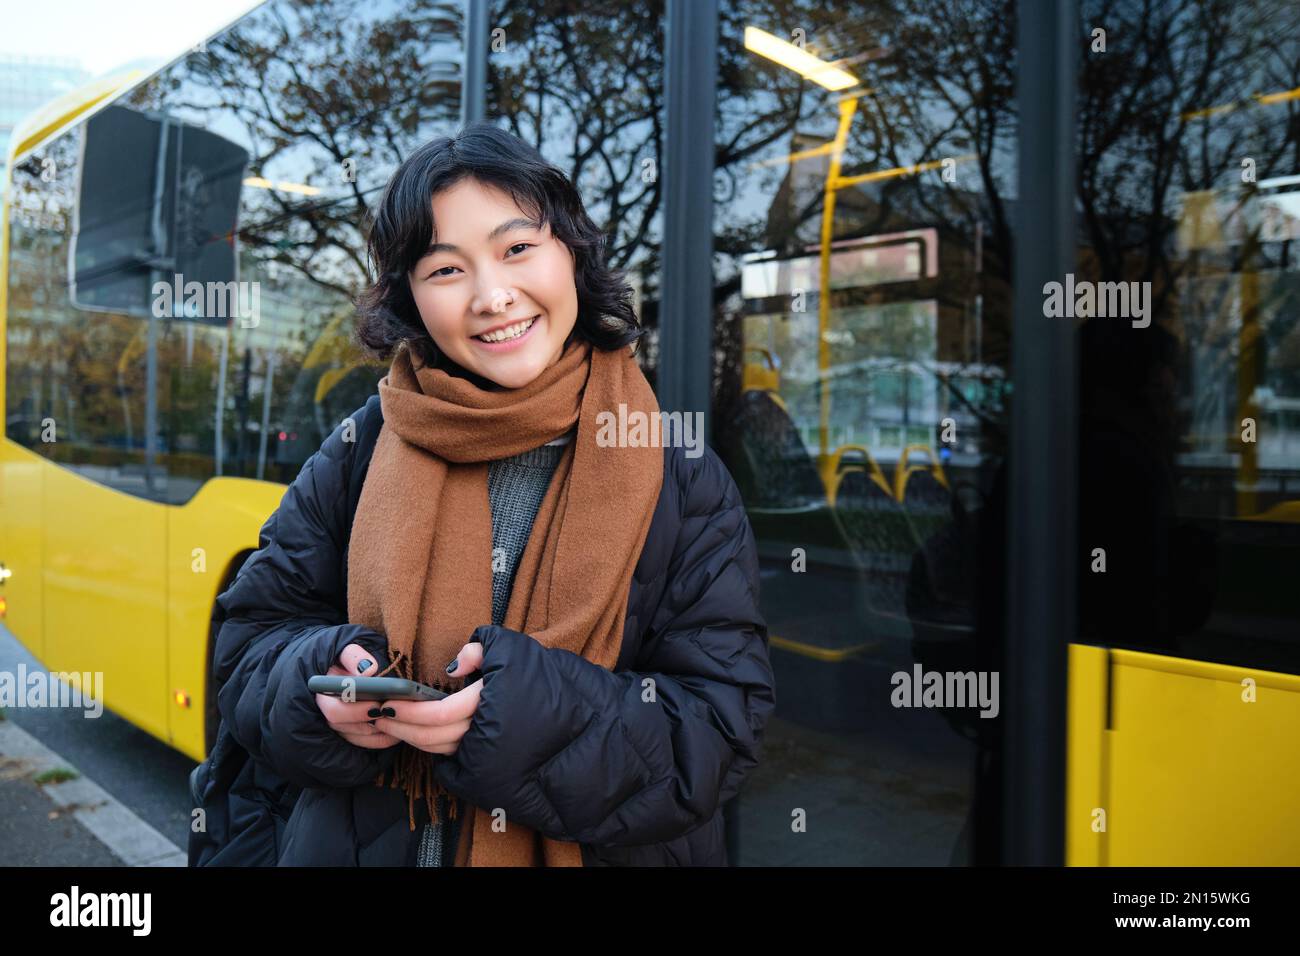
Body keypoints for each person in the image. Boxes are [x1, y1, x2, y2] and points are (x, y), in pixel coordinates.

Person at [188, 122, 775, 866]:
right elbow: (247, 647)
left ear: (571, 252)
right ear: (411, 296)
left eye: (517, 248)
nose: (493, 296)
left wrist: (513, 719)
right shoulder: (361, 448)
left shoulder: (679, 474)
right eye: (445, 270)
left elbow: (718, 732)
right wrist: (319, 689)